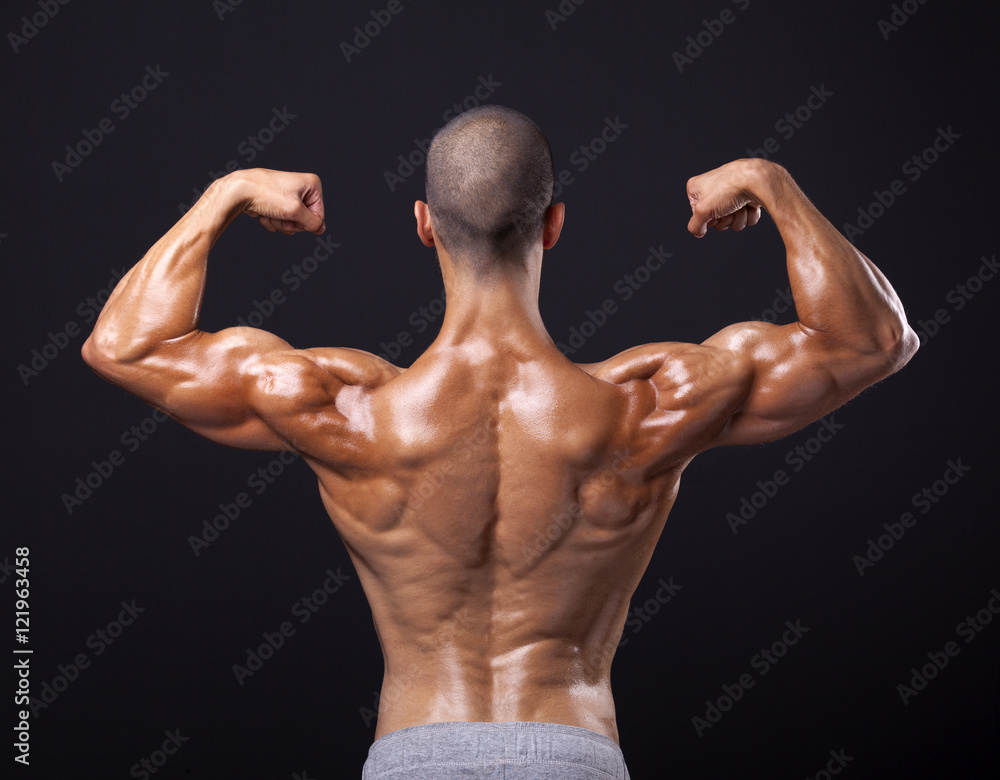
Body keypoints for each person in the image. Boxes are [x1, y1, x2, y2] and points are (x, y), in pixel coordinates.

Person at [82, 105, 918, 779]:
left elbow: (125, 344)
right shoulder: (648, 407)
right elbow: (873, 342)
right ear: (554, 225)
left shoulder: (347, 409)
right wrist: (771, 184)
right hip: (572, 754)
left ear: (423, 225)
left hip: (415, 754)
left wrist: (227, 193)